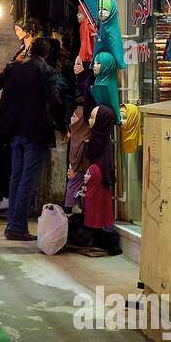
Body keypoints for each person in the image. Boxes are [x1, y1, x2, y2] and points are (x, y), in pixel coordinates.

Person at [0, 37, 66, 240]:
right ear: (46, 54)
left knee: (16, 177)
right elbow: (55, 101)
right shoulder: (46, 71)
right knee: (28, 179)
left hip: (14, 132)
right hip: (36, 132)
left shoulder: (14, 67)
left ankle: (13, 224)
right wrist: (63, 126)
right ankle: (17, 227)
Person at [68, 104, 122, 254]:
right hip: (99, 174)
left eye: (93, 118)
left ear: (101, 121)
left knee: (94, 208)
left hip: (95, 174)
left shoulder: (96, 140)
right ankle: (98, 235)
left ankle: (94, 237)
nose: (90, 121)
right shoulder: (102, 139)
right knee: (98, 206)